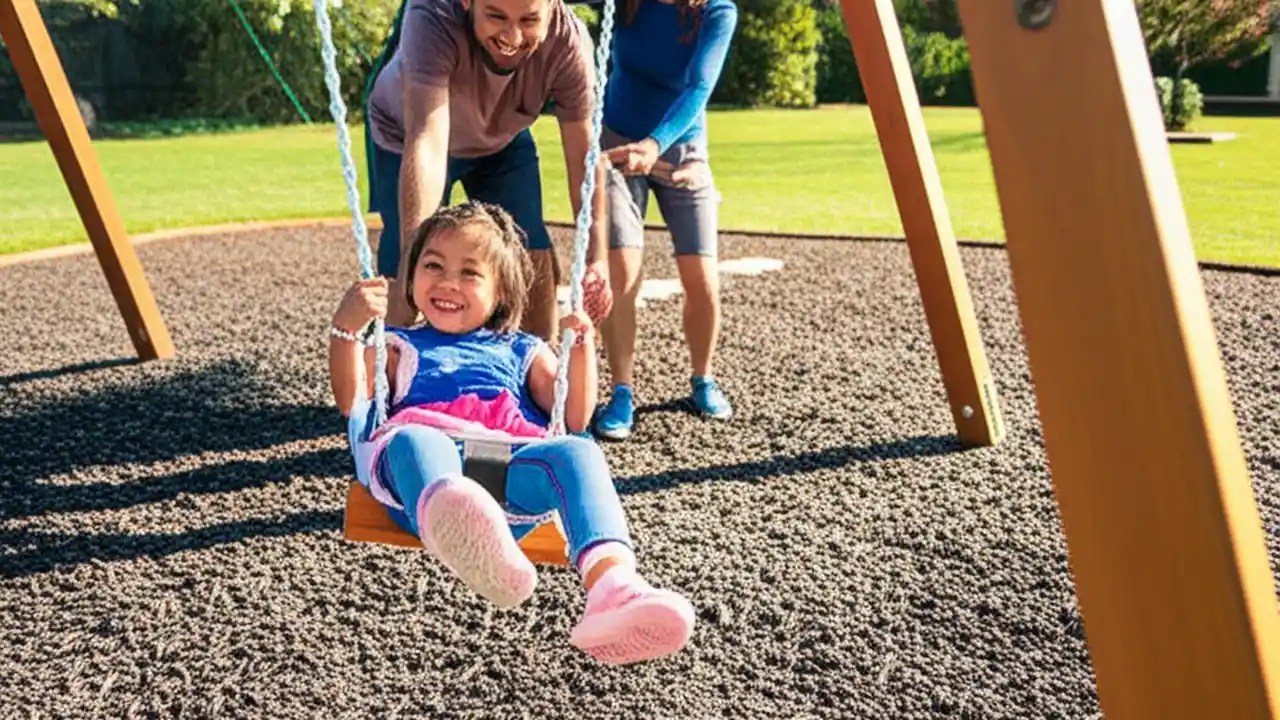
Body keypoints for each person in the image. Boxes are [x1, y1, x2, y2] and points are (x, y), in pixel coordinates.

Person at [328, 201, 696, 665]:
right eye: (433, 265)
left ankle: (614, 588)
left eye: (469, 273)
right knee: (416, 440)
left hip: (508, 471)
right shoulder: (399, 343)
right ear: (413, 272)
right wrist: (346, 328)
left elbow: (574, 416)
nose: (447, 283)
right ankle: (458, 520)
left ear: (501, 290)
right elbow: (353, 400)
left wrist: (583, 345)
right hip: (423, 477)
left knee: (578, 456)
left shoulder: (523, 349)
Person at [364, 0, 612, 342]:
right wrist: (415, 250)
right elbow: (428, 141)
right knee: (406, 263)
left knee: (530, 253)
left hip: (500, 139)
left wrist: (595, 259)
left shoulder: (568, 42)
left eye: (529, 20)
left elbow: (584, 157)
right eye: (496, 16)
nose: (512, 35)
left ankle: (537, 370)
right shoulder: (432, 15)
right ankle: (388, 375)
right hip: (406, 133)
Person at [592, 0, 738, 441]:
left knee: (702, 279)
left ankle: (703, 378)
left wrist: (656, 145)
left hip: (681, 155)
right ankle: (621, 390)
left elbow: (698, 86)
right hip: (617, 147)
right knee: (623, 273)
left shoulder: (717, 12)